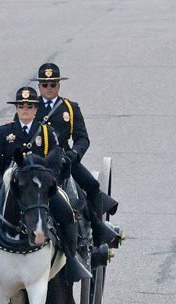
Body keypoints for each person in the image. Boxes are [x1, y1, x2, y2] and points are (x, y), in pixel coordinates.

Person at [0, 86, 91, 286]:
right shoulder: (5, 132)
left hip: (39, 189)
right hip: (11, 186)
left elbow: (56, 158)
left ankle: (72, 258)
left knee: (67, 214)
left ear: (36, 108)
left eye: (29, 106)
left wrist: (49, 181)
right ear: (16, 108)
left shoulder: (48, 133)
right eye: (21, 106)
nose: (25, 110)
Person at [34, 63, 120, 234]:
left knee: (92, 185)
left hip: (66, 159)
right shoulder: (29, 106)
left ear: (58, 85)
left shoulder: (70, 108)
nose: (49, 88)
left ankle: (96, 230)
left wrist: (75, 153)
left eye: (53, 84)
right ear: (39, 86)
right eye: (45, 84)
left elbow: (82, 138)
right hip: (37, 160)